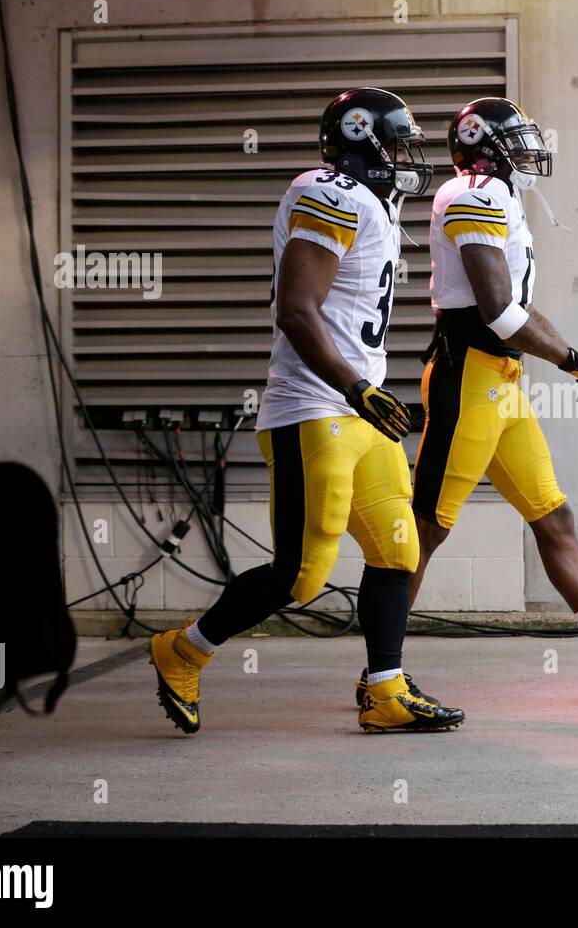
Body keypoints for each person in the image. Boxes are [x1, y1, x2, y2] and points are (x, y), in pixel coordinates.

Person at [149, 87, 464, 734]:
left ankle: (385, 693)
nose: (408, 154)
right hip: (315, 408)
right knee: (301, 576)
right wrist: (356, 387)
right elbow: (297, 310)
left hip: (359, 411)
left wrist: (364, 394)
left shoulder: (372, 202)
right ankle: (182, 651)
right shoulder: (332, 192)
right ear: (361, 140)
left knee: (397, 549)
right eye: (398, 140)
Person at [362, 97, 578, 704]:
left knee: (552, 516)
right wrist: (574, 365)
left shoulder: (499, 196)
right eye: (516, 138)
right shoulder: (473, 193)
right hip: (469, 378)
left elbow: (520, 310)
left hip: (501, 382)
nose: (529, 148)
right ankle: (380, 679)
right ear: (485, 142)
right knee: (424, 530)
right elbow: (498, 312)